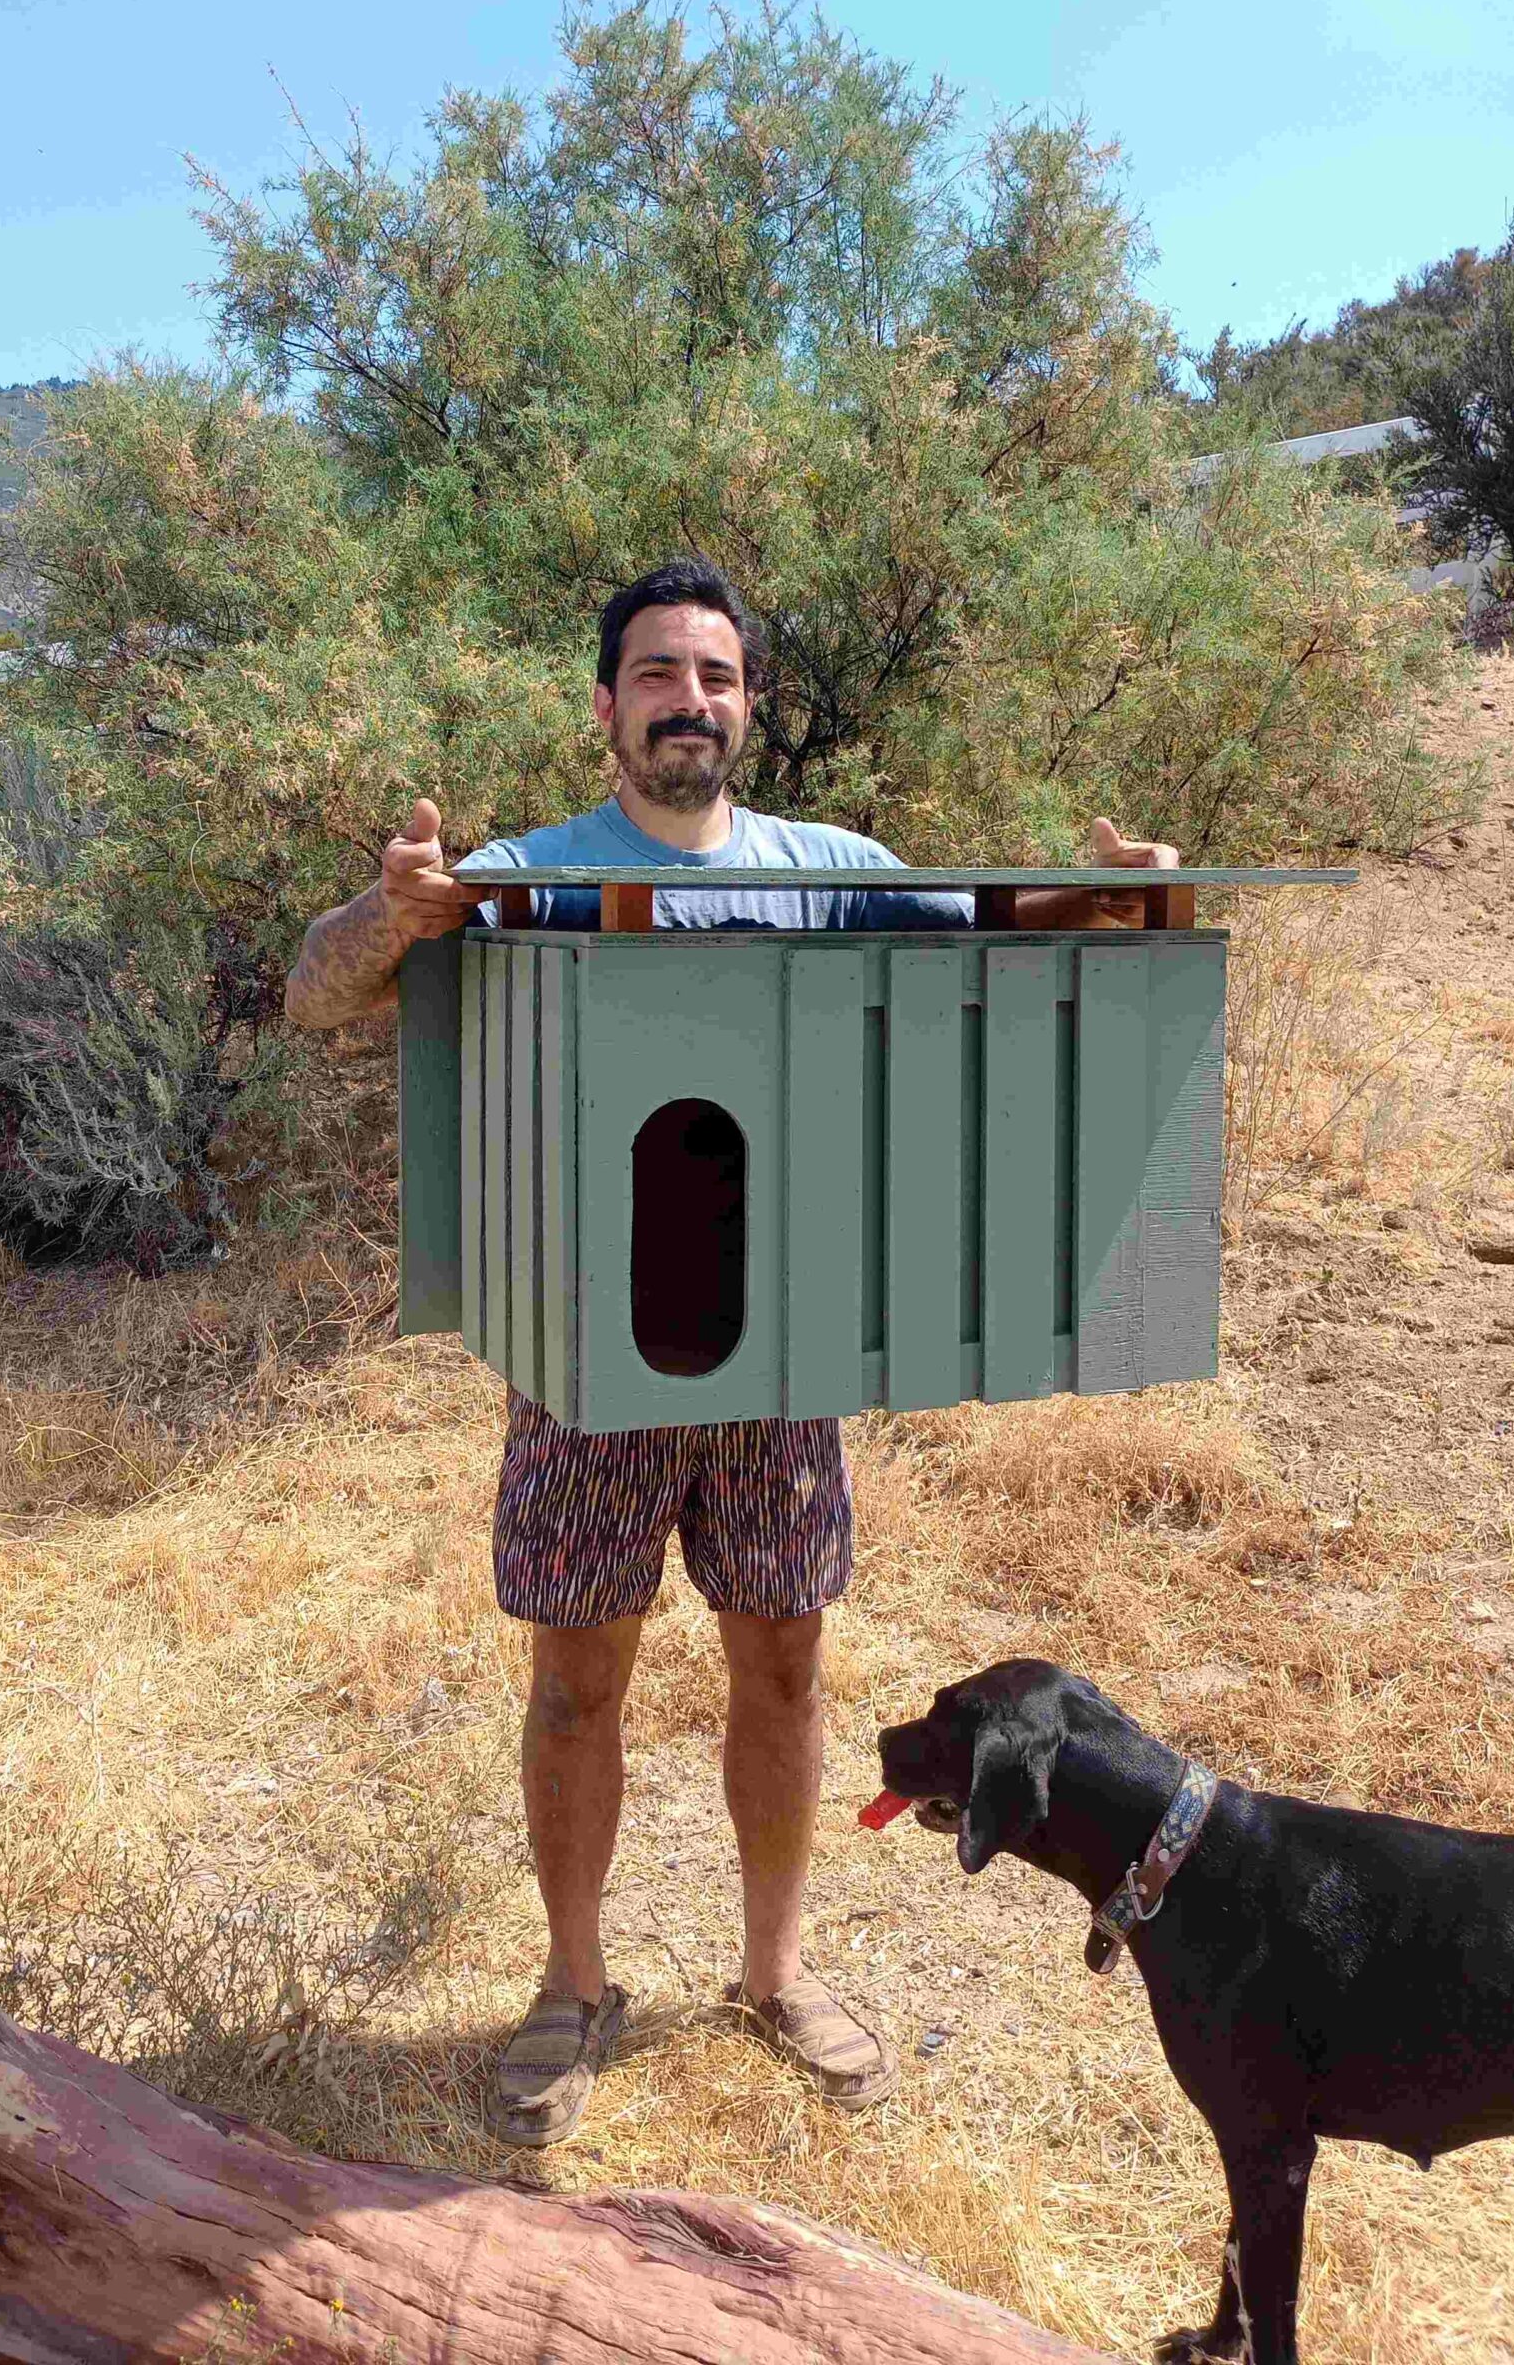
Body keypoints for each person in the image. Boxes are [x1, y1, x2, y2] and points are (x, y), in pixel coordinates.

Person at [285, 557, 1178, 2145]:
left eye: (714, 677)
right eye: (656, 675)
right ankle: (573, 1987)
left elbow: (996, 931)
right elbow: (320, 995)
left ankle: (773, 1977)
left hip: (782, 1354)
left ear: (746, 704)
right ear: (606, 705)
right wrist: (389, 908)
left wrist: (1112, 896)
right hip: (589, 1357)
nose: (687, 701)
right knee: (578, 1681)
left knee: (784, 1662)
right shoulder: (534, 870)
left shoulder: (828, 866)